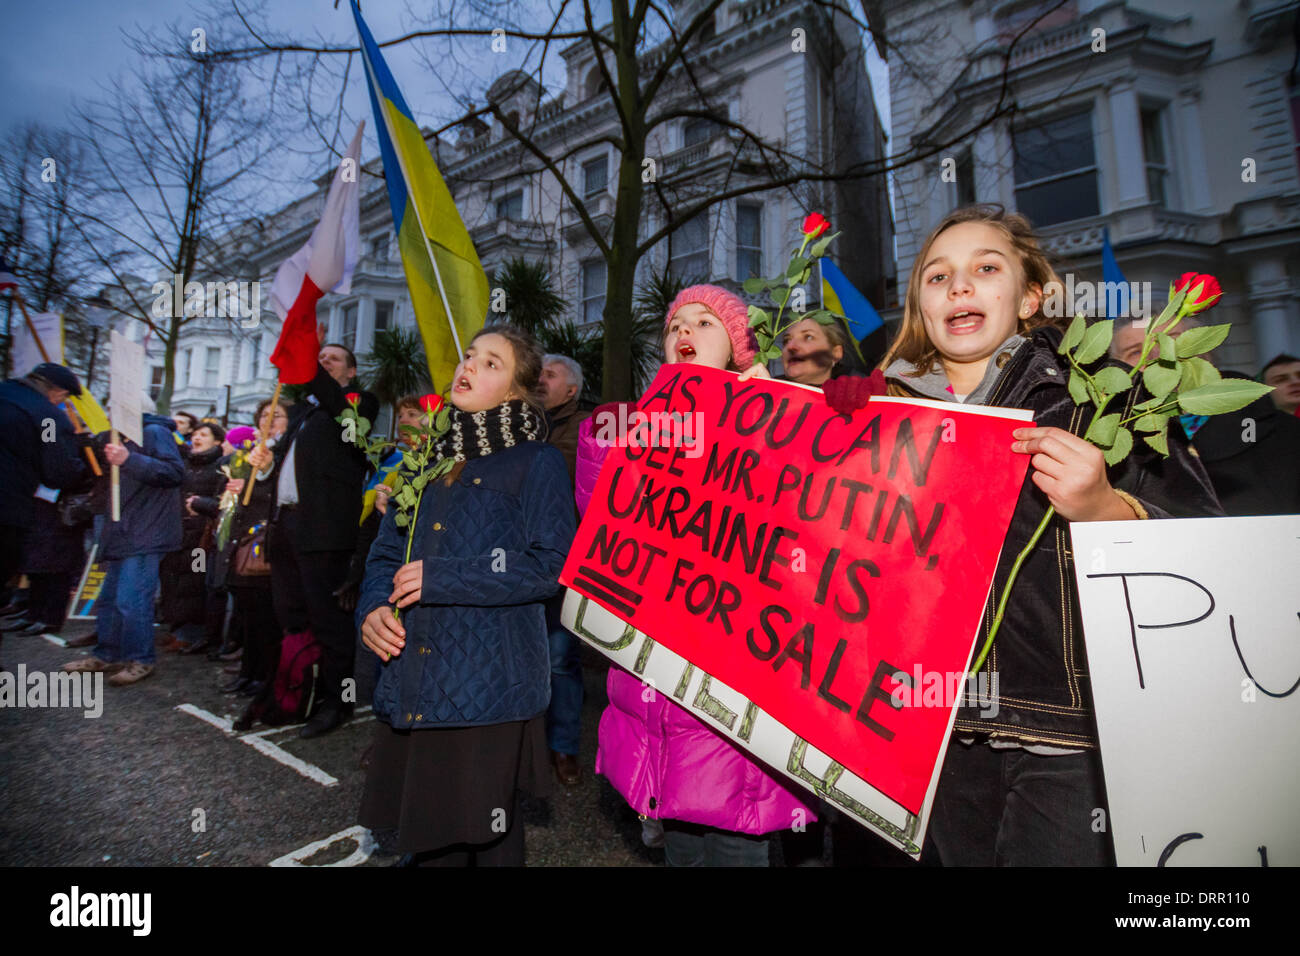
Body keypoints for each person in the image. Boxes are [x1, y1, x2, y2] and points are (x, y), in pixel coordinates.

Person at [877, 205, 1222, 865]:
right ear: (921, 306)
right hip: (933, 735)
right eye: (938, 276)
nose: (960, 286)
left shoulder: (1106, 403)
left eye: (985, 267)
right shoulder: (881, 426)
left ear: (1031, 295)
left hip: (1068, 736)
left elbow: (1206, 543)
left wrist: (1101, 507)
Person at [574, 285, 816, 867]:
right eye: (675, 324)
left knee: (736, 833)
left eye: (705, 323)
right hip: (657, 675)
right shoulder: (635, 427)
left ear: (737, 346)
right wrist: (612, 435)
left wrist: (775, 412)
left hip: (734, 676)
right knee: (683, 836)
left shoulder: (777, 418)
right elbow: (598, 519)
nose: (685, 332)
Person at [356, 325, 574, 866]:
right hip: (413, 676)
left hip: (487, 685)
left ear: (517, 392)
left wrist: (445, 577)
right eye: (470, 355)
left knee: (485, 836)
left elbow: (553, 566)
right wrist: (373, 608)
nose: (470, 365)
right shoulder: (425, 459)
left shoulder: (535, 460)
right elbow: (385, 555)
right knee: (422, 840)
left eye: (492, 363)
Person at [246, 342, 378, 738]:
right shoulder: (303, 412)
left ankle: (339, 702)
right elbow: (286, 472)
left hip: (323, 530)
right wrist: (267, 469)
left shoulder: (359, 404)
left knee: (329, 620)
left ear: (351, 372)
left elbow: (347, 421)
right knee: (291, 616)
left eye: (333, 359)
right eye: (319, 357)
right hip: (286, 526)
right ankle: (301, 688)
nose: (323, 362)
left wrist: (307, 361)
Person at [63, 395, 184, 686]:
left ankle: (140, 658)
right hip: (122, 531)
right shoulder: (120, 437)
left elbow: (173, 472)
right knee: (110, 600)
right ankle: (107, 652)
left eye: (112, 408)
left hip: (145, 532)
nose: (108, 413)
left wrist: (130, 459)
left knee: (132, 600)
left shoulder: (155, 432)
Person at [0, 364, 90, 663]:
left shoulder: (5, 393)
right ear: (59, 392)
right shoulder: (48, 418)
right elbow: (59, 471)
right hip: (8, 508)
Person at [539, 353, 592, 786]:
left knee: (559, 659)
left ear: (571, 390)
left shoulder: (589, 428)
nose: (540, 378)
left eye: (550, 374)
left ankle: (563, 747)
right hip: (518, 558)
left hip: (562, 561)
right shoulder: (517, 423)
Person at [158, 420, 227, 654]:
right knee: (174, 580)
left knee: (195, 582)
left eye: (204, 434)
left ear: (217, 441)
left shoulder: (221, 466)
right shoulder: (183, 462)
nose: (197, 437)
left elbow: (223, 503)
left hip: (201, 538)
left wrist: (200, 504)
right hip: (177, 532)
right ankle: (176, 629)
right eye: (195, 433)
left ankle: (192, 633)